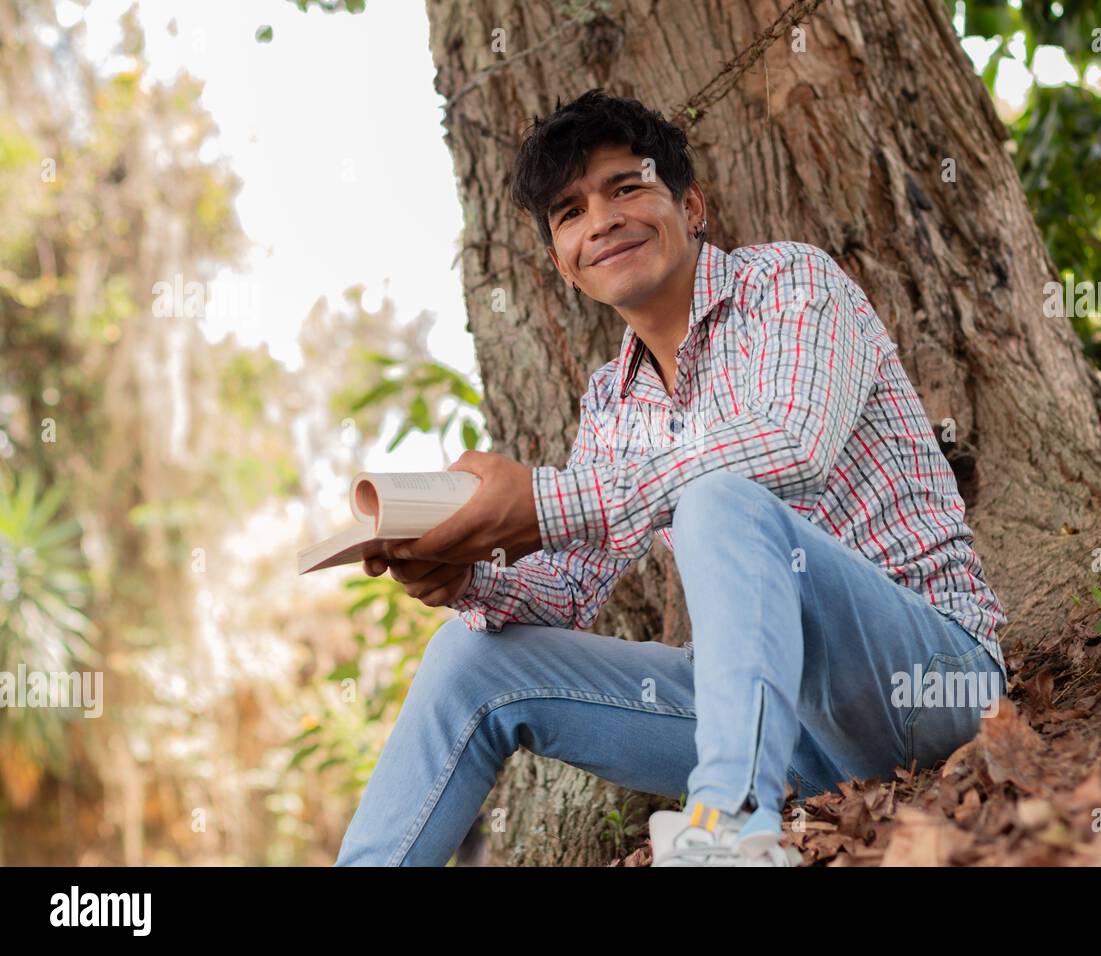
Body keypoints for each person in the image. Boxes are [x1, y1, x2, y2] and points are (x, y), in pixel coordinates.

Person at [334, 89, 1009, 868]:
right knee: (467, 658)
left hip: (930, 687)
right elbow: (570, 589)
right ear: (563, 263)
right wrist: (464, 572)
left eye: (627, 187)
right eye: (571, 212)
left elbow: (792, 446)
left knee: (720, 497)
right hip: (787, 735)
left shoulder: (790, 285)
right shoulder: (612, 403)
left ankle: (727, 829)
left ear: (692, 206)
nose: (603, 220)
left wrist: (545, 501)